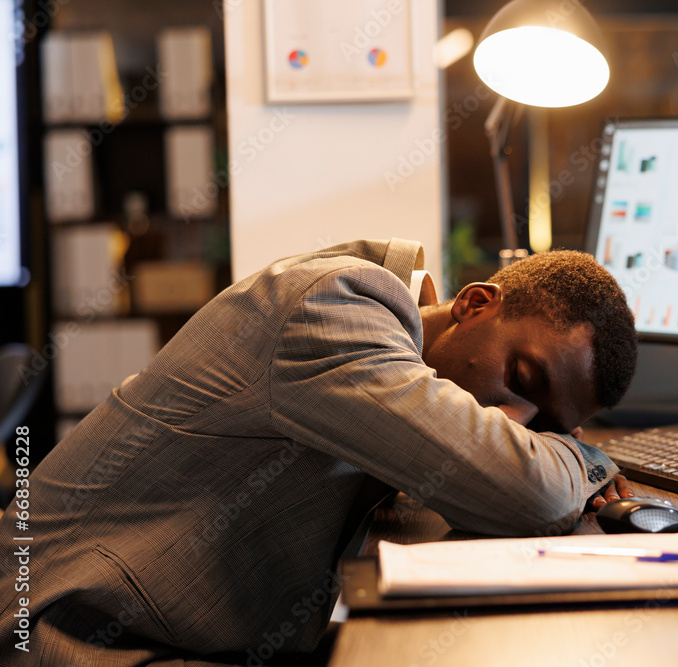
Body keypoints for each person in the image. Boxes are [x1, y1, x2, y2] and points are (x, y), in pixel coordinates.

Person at [0, 238, 638, 666]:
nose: (516, 421)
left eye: (549, 422)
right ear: (474, 304)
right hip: (53, 635)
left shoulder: (401, 342)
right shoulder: (336, 308)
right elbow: (532, 492)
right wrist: (585, 458)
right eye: (523, 382)